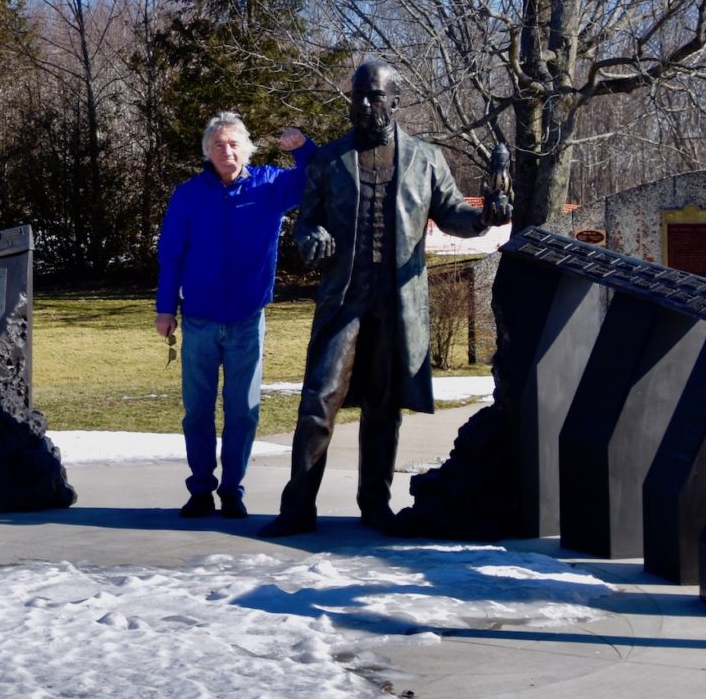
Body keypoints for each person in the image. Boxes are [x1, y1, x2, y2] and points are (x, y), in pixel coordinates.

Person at [258, 61, 510, 538]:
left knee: (383, 405)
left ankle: (375, 504)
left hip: (396, 302)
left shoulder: (425, 159)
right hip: (344, 298)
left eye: (374, 95)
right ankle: (298, 508)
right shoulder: (329, 159)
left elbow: (452, 212)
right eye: (358, 94)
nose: (364, 103)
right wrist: (311, 237)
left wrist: (483, 220)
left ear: (395, 101)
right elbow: (306, 221)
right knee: (318, 401)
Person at [156, 111, 309, 519]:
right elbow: (171, 255)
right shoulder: (188, 195)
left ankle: (232, 490)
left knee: (243, 410)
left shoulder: (269, 185)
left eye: (234, 143)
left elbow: (314, 179)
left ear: (247, 148)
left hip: (247, 319)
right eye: (219, 145)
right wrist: (165, 308)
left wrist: (302, 149)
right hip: (199, 320)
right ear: (207, 151)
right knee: (197, 411)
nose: (227, 151)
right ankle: (201, 489)